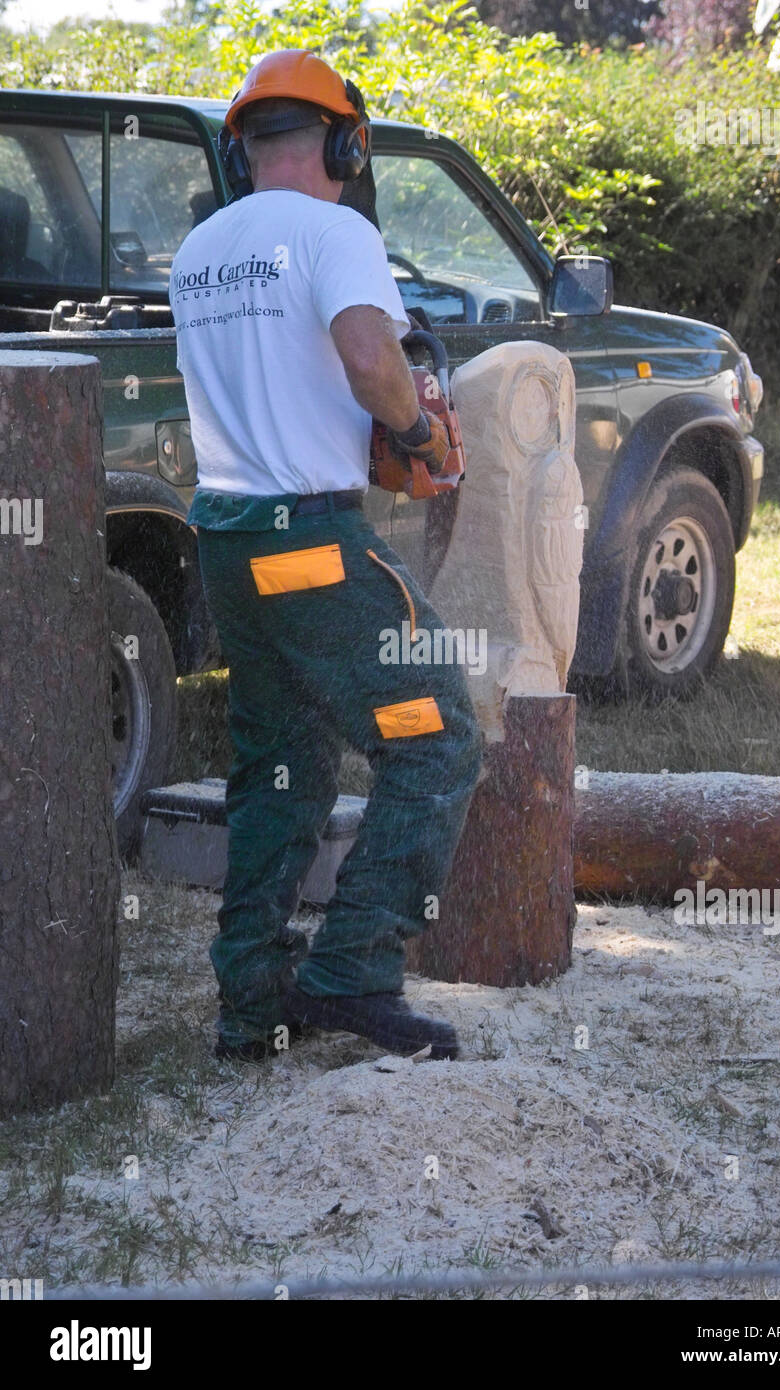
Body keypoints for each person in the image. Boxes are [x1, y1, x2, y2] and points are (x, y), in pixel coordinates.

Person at [169, 50, 482, 1063]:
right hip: (307, 545)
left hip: (227, 542)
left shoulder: (198, 251)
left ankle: (249, 1003)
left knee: (279, 767)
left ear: (240, 149)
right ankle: (352, 969)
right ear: (349, 142)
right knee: (431, 735)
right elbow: (364, 360)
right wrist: (421, 434)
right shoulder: (336, 230)